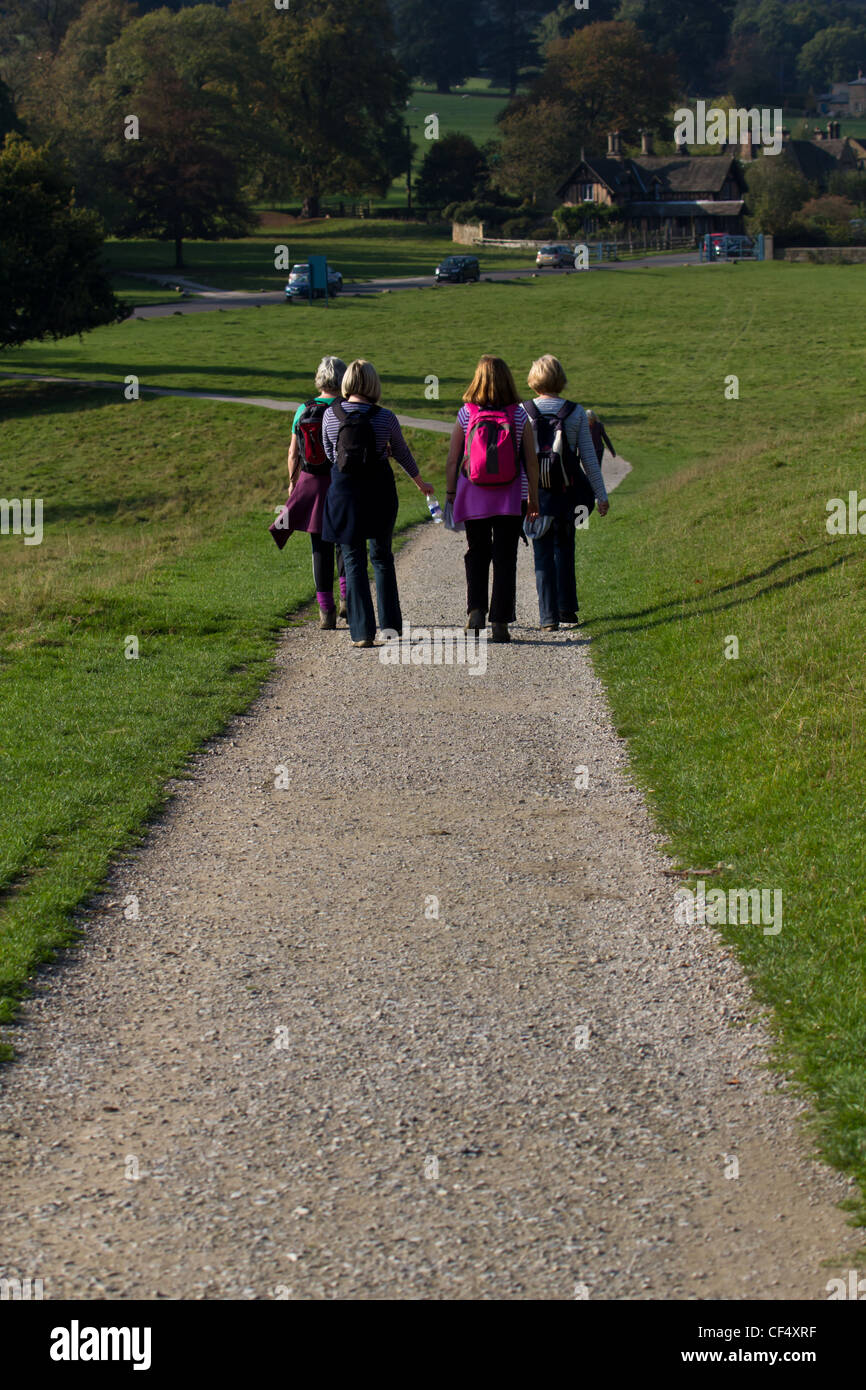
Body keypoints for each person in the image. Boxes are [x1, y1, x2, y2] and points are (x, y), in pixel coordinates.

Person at [322, 360, 435, 648]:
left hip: (344, 492)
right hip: (379, 492)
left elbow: (330, 455)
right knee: (382, 557)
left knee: (353, 558)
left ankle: (361, 633)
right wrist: (420, 482)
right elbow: (402, 452)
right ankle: (390, 628)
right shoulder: (385, 418)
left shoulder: (330, 415)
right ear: (373, 384)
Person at [445, 355, 539, 644]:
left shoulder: (466, 413)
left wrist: (450, 494)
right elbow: (531, 462)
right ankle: (500, 621)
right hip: (510, 496)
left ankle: (475, 611)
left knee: (477, 551)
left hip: (473, 494)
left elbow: (453, 459)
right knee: (505, 556)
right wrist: (533, 498)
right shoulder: (520, 415)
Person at [523, 355, 609, 631]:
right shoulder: (576, 412)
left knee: (542, 553)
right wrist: (601, 494)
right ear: (561, 379)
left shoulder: (522, 411)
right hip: (569, 495)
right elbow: (589, 459)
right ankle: (567, 609)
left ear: (534, 380)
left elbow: (518, 460)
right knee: (565, 549)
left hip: (537, 496)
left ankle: (548, 617)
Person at [269, 355, 348, 629]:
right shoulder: (346, 407)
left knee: (319, 546)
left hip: (312, 482)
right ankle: (347, 598)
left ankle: (326, 611)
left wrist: (293, 483)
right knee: (344, 540)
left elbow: (293, 453)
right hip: (340, 482)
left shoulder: (303, 410)